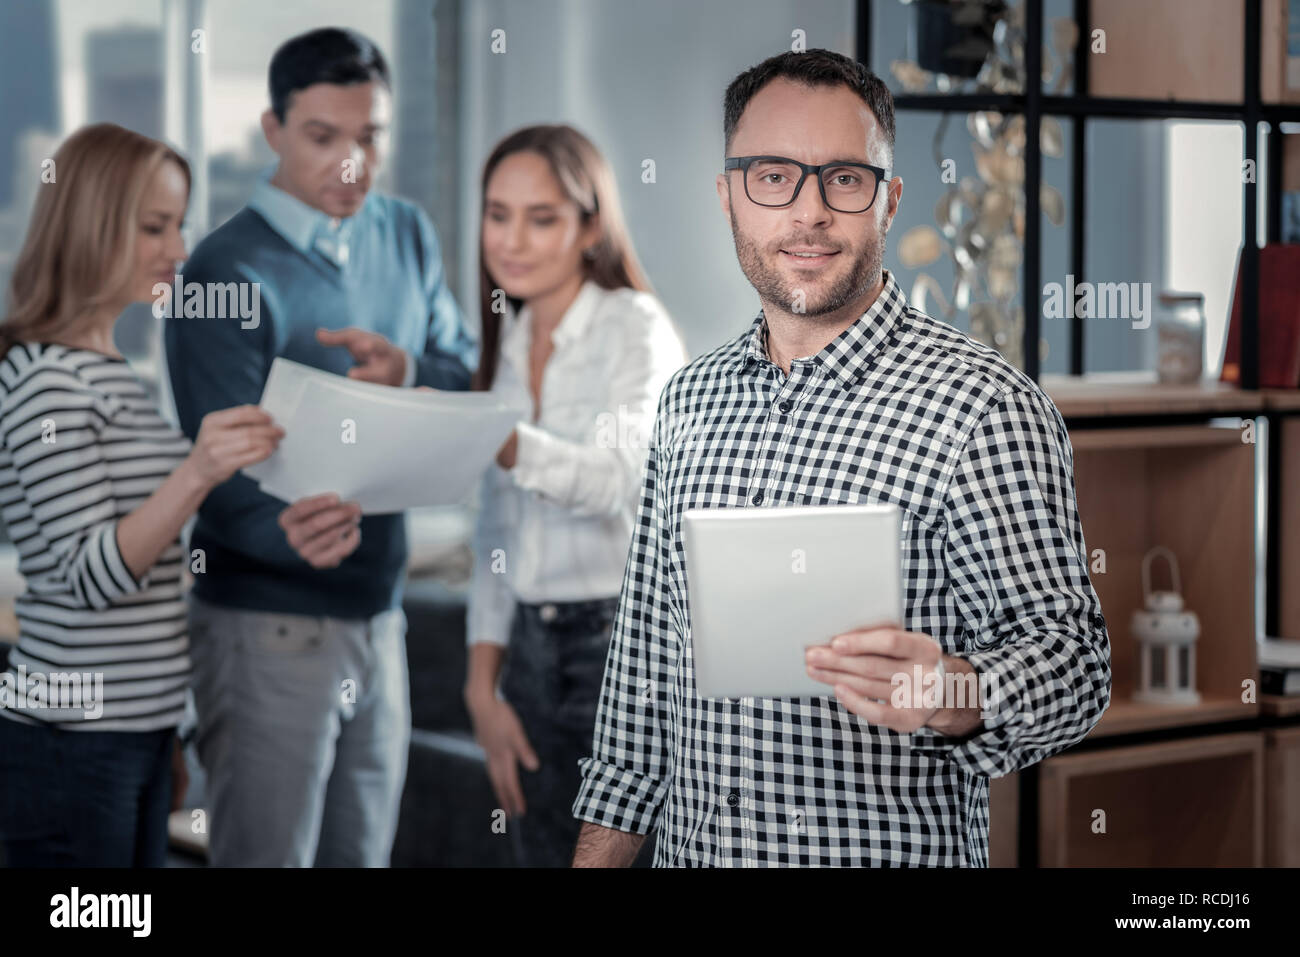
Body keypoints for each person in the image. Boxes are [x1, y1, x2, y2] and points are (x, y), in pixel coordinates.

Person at [571, 49, 1112, 867]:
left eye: (845, 180)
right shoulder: (688, 401)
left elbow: (1075, 667)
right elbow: (639, 688)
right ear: (728, 198)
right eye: (772, 177)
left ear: (889, 201)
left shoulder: (983, 408)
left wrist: (954, 690)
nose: (810, 212)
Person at [164, 27, 476, 867]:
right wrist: (286, 531)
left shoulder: (406, 234)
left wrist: (408, 366)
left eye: (369, 136)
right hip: (266, 626)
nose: (351, 164)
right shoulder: (222, 271)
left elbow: (460, 365)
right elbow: (216, 474)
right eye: (322, 137)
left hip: (380, 614)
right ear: (273, 130)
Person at [0, 123, 282, 867]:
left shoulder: (108, 370)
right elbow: (92, 578)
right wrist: (198, 469)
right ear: (92, 223)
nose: (179, 249)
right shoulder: (46, 382)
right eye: (154, 226)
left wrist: (165, 729)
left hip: (131, 734)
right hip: (72, 744)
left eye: (179, 224)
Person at [463, 125, 686, 868]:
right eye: (498, 214)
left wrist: (504, 440)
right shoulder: (511, 331)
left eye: (542, 216)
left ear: (590, 224)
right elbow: (498, 523)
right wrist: (480, 682)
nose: (512, 240)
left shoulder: (635, 327)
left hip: (620, 647)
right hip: (526, 651)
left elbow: (619, 480)